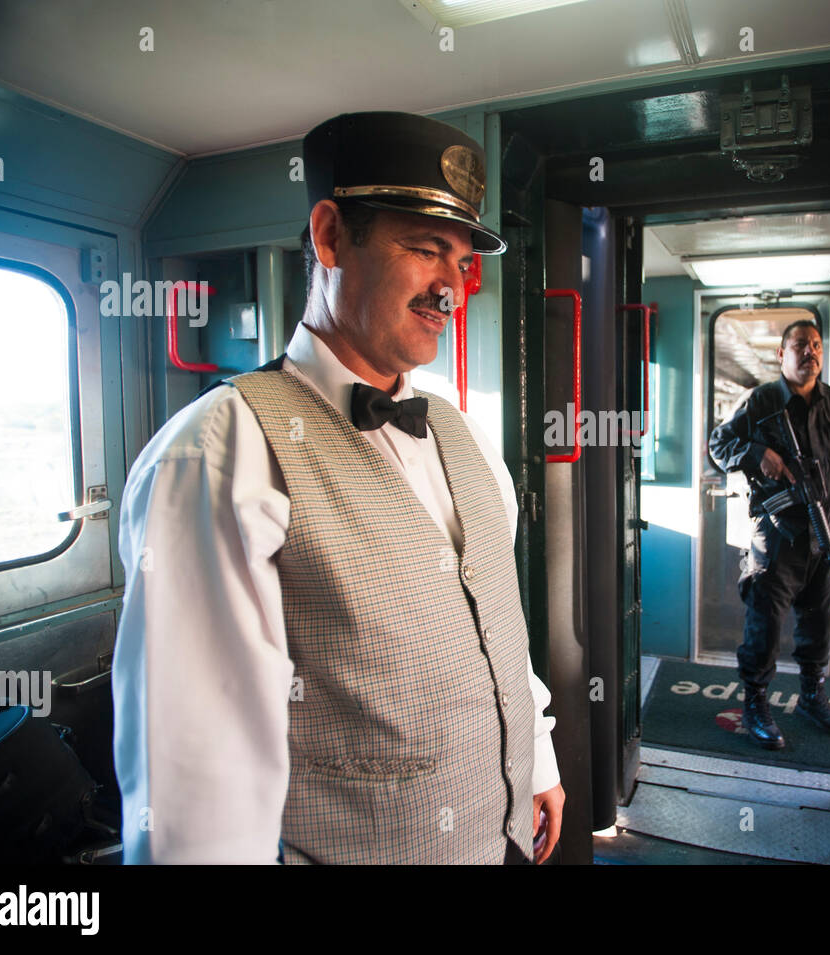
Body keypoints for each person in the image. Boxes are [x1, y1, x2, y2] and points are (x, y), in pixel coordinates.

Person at [113, 111, 564, 864]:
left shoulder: (464, 434)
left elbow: (496, 632)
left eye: (461, 262)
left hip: (507, 834)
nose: (451, 288)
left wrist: (537, 761)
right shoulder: (217, 453)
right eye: (425, 249)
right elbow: (198, 776)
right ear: (329, 237)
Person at [708, 316, 830, 750]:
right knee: (766, 623)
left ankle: (812, 697)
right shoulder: (760, 401)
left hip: (826, 534)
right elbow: (719, 445)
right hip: (777, 536)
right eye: (800, 345)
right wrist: (756, 452)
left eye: (816, 345)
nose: (809, 352)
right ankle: (756, 702)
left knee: (820, 621)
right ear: (782, 354)